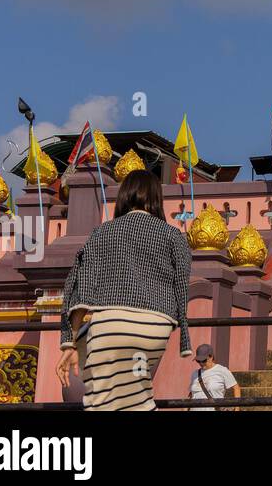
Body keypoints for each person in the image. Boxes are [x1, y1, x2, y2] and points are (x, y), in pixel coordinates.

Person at [55, 169, 192, 410]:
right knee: (137, 394)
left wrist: (69, 341)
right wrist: (183, 336)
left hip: (113, 326)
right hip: (156, 330)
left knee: (103, 400)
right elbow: (181, 285)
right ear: (156, 198)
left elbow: (81, 288)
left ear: (124, 196)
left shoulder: (103, 232)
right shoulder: (173, 235)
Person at [189, 344, 240, 411]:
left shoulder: (222, 370)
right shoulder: (195, 374)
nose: (201, 363)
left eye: (203, 360)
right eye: (198, 361)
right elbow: (191, 396)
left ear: (211, 357)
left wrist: (237, 408)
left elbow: (236, 388)